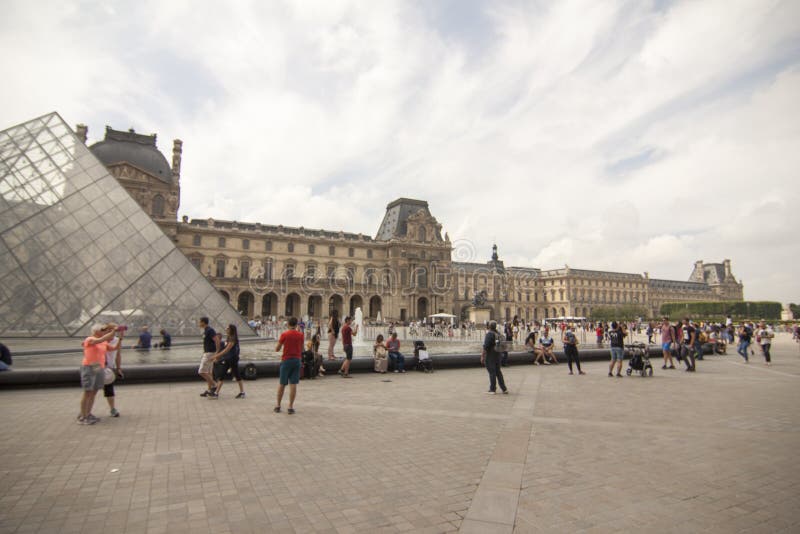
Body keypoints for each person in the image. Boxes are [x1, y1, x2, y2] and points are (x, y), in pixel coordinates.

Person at [78, 323, 117, 424]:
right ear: (95, 331)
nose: (104, 331)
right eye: (102, 330)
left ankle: (88, 413)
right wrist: (113, 330)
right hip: (89, 367)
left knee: (94, 392)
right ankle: (83, 416)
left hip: (98, 367)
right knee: (87, 392)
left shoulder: (103, 342)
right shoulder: (89, 339)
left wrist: (120, 338)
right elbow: (100, 339)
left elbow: (114, 348)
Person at [274, 316, 303, 414]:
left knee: (282, 384)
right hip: (297, 360)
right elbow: (302, 348)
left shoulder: (284, 334)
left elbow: (277, 349)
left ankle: (278, 405)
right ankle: (290, 407)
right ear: (296, 324)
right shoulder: (300, 335)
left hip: (286, 360)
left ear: (288, 324)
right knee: (293, 384)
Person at [209, 324, 245, 398]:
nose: (226, 329)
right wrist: (217, 357)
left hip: (232, 359)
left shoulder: (232, 338)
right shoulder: (229, 337)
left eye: (227, 328)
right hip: (228, 358)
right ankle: (216, 393)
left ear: (231, 329)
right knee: (222, 375)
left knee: (236, 375)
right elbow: (225, 350)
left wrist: (215, 356)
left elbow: (226, 350)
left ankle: (242, 392)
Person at [480, 321, 508, 394]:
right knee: (498, 372)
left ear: (489, 326)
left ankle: (492, 389)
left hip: (490, 355)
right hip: (498, 354)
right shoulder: (498, 334)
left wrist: (482, 356)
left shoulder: (489, 334)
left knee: (492, 372)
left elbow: (486, 347)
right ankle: (504, 389)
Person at [103, 326, 124, 417]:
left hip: (109, 368)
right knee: (92, 391)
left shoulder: (116, 340)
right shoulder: (100, 340)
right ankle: (85, 411)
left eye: (114, 330)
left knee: (109, 390)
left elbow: (118, 354)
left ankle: (112, 409)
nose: (112, 332)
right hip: (97, 367)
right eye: (110, 330)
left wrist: (118, 368)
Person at [198, 317, 221, 396]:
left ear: (203, 322)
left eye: (200, 322)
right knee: (208, 373)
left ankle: (214, 385)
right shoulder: (206, 330)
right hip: (208, 353)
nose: (199, 323)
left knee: (201, 371)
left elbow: (217, 340)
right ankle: (209, 389)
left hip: (209, 354)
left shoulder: (210, 330)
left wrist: (217, 352)